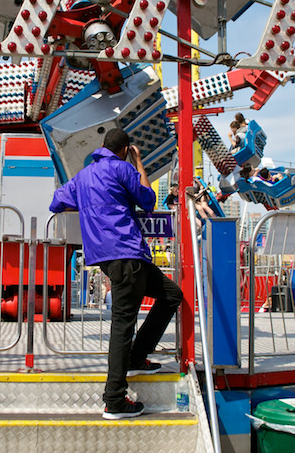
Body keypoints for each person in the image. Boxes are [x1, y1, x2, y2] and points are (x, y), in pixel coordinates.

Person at [49, 127, 182, 420]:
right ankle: (114, 399)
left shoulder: (83, 176)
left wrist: (88, 205)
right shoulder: (123, 168)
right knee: (122, 325)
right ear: (125, 150)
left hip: (107, 256)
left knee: (172, 295)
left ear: (102, 145)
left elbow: (56, 202)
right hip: (127, 252)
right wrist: (139, 163)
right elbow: (148, 200)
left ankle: (136, 356)